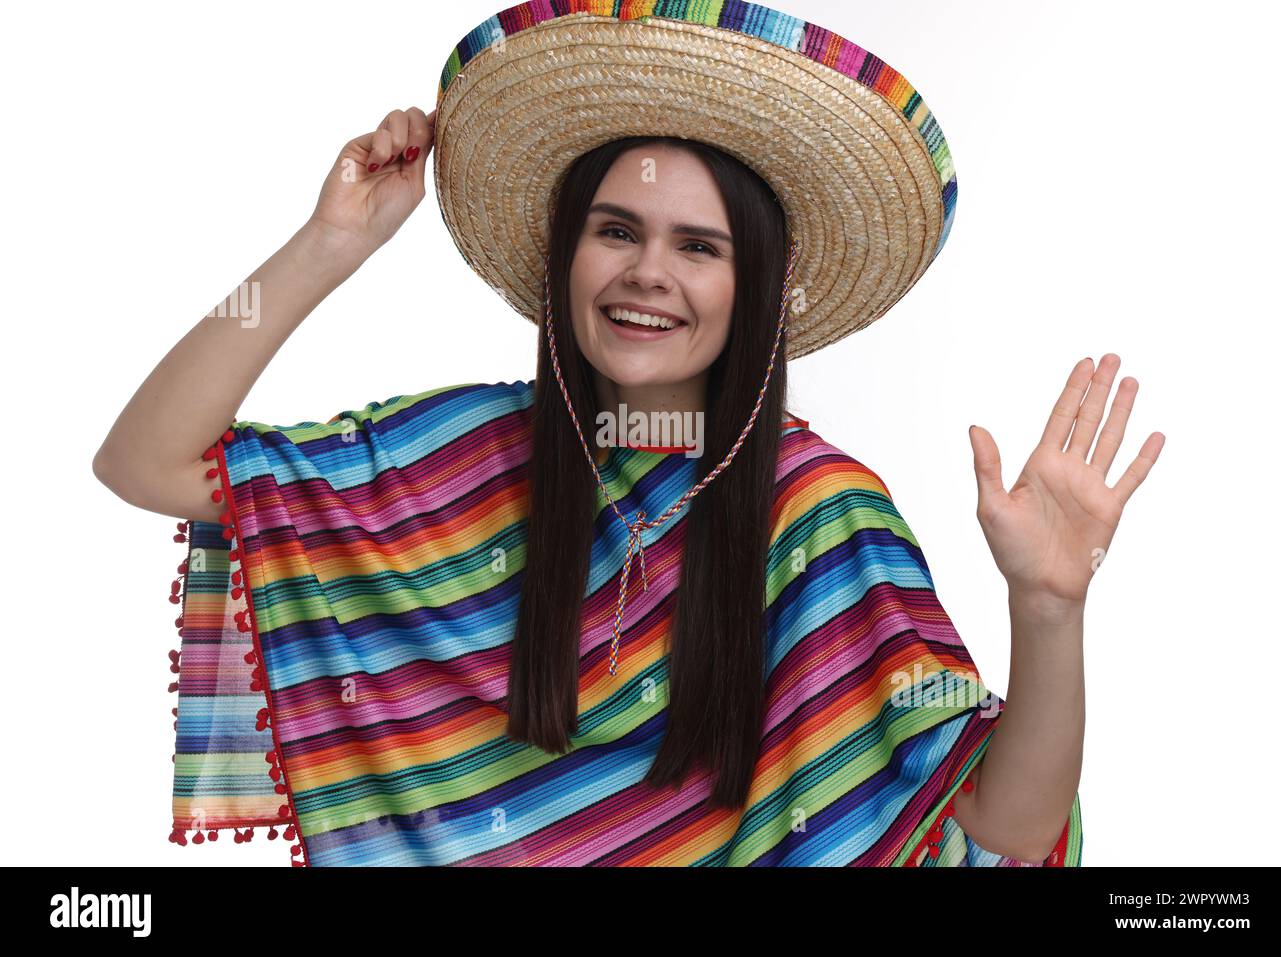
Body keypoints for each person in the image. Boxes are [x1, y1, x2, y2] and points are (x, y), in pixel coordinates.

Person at [93, 2, 1160, 866]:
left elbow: (1001, 835)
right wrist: (325, 246)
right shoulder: (457, 458)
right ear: (568, 255)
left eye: (699, 246)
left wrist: (1047, 610)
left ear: (758, 288)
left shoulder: (817, 507)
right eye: (616, 230)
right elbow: (145, 462)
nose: (647, 271)